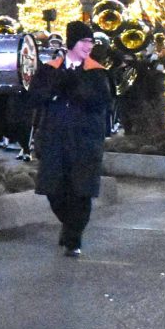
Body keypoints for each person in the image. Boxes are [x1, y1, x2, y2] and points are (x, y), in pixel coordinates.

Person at [31, 20, 112, 257]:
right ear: (72, 43)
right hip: (55, 138)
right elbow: (36, 97)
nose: (89, 46)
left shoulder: (97, 72)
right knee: (53, 190)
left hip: (84, 140)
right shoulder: (49, 69)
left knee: (81, 191)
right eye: (84, 41)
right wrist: (55, 90)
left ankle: (73, 238)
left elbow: (102, 102)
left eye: (91, 41)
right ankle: (69, 225)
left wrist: (76, 89)